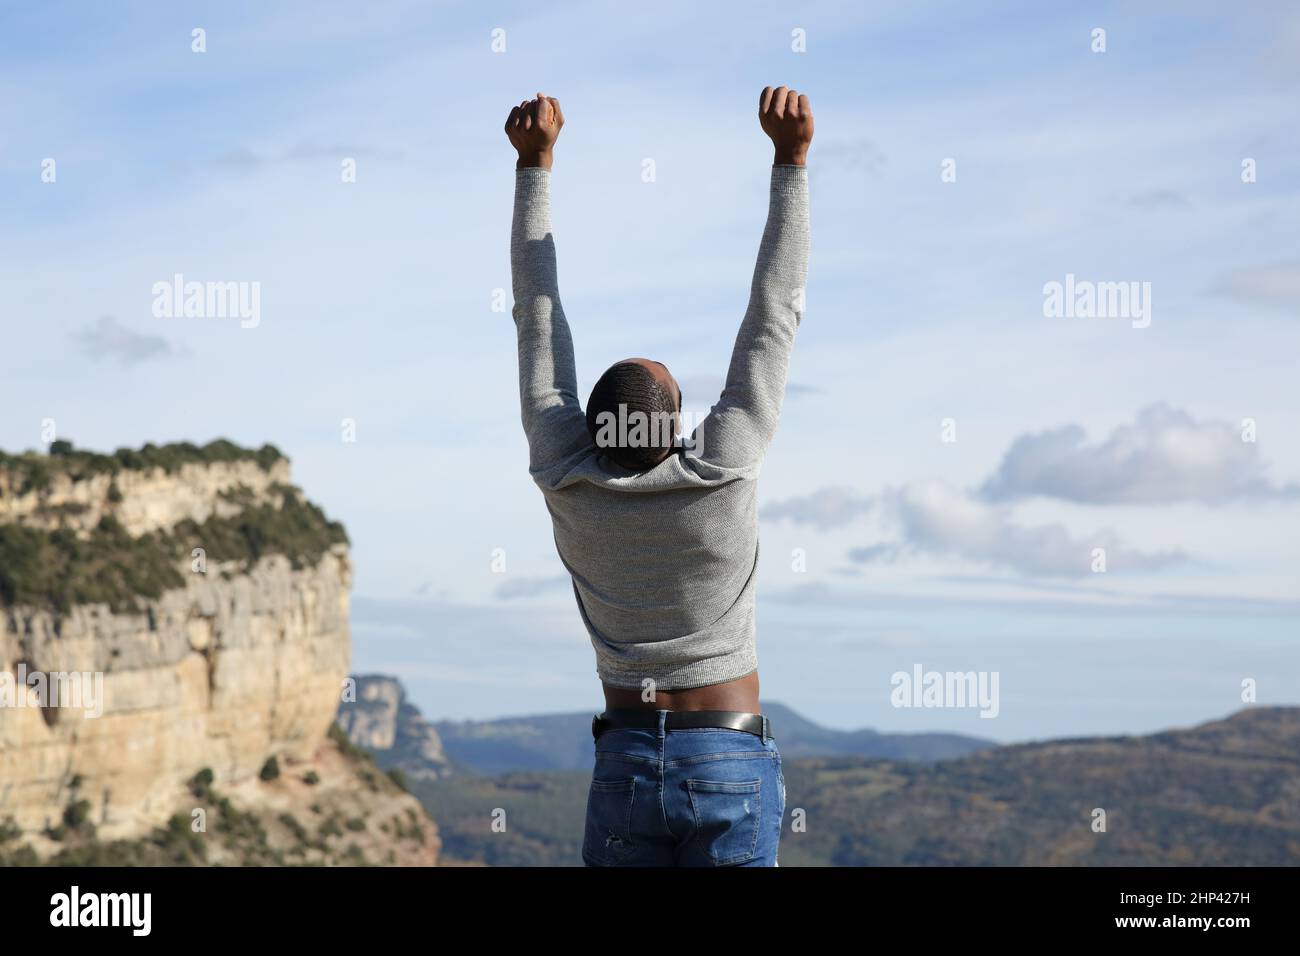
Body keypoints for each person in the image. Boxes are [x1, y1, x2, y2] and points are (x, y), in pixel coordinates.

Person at [505, 85, 812, 866]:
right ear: (676, 425)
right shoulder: (721, 468)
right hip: (727, 758)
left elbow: (537, 318)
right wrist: (789, 162)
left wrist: (534, 166)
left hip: (628, 766)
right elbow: (773, 314)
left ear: (593, 427)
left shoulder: (567, 474)